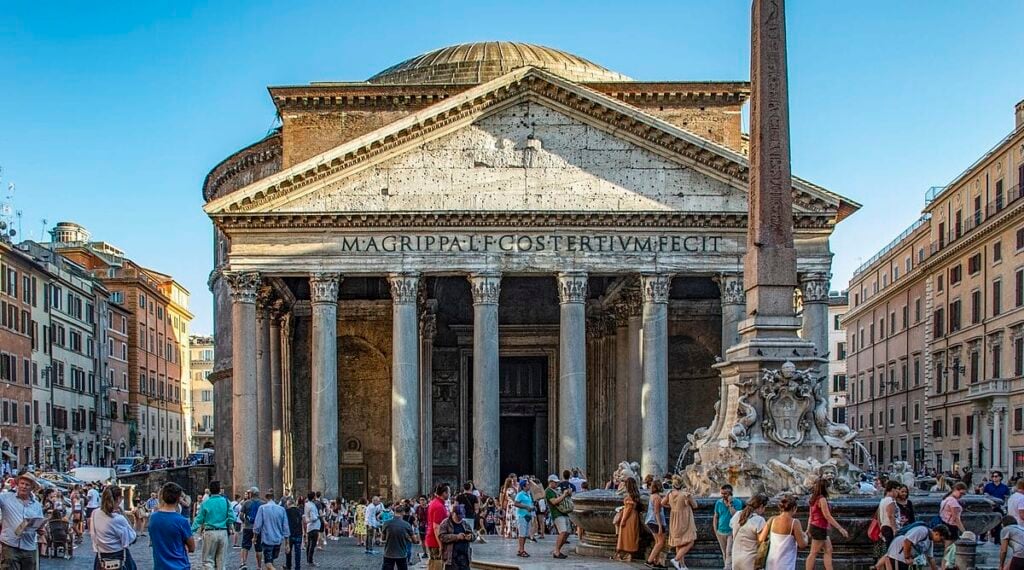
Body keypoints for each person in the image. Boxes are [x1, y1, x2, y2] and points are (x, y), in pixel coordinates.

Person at [0, 472, 46, 569]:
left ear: (32, 488)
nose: (24, 487)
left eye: (27, 485)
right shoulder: (6, 498)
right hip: (10, 545)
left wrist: (41, 530)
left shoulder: (36, 505)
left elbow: (39, 524)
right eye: (22, 483)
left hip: (29, 547)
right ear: (17, 484)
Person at [148, 482, 195, 570]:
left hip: (160, 566)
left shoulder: (153, 518)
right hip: (180, 565)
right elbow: (192, 547)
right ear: (178, 499)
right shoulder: (182, 521)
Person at [805, 478, 849, 570]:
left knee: (829, 549)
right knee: (813, 553)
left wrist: (808, 528)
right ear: (825, 488)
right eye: (828, 487)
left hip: (817, 527)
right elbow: (827, 516)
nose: (830, 489)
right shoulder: (822, 499)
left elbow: (810, 516)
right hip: (819, 528)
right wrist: (840, 528)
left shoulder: (813, 498)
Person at [91, 485, 138, 570]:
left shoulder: (95, 513)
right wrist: (123, 514)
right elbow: (132, 538)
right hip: (118, 557)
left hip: (100, 556)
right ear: (119, 498)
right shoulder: (118, 519)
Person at [191, 479, 234, 570]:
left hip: (210, 532)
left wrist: (191, 531)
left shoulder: (206, 502)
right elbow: (231, 517)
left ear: (210, 490)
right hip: (223, 532)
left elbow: (199, 519)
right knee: (221, 562)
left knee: (208, 561)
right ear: (219, 490)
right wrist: (230, 526)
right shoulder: (226, 501)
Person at [758, 494, 808, 570]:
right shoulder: (795, 522)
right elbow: (802, 545)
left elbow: (761, 539)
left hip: (771, 563)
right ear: (794, 508)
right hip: (786, 564)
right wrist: (806, 537)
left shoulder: (772, 519)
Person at [666, 475, 697, 570]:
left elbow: (662, 503)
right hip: (685, 520)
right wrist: (690, 497)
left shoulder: (670, 493)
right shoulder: (685, 494)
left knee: (679, 543)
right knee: (691, 541)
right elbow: (695, 506)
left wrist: (672, 507)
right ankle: (676, 559)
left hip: (674, 519)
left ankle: (682, 566)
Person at [730, 494, 768, 570]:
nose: (764, 510)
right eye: (764, 507)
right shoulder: (759, 520)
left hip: (736, 558)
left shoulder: (737, 515)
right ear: (761, 506)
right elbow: (761, 541)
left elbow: (733, 531)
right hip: (750, 560)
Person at [253, 491, 289, 570]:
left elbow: (257, 524)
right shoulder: (281, 509)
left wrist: (255, 537)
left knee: (268, 564)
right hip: (278, 540)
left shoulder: (262, 508)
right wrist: (287, 543)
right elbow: (286, 527)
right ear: (274, 498)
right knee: (271, 560)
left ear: (266, 498)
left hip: (267, 539)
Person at [713, 484, 742, 570]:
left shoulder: (737, 502)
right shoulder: (718, 503)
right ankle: (728, 567)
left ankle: (727, 568)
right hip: (720, 531)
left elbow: (735, 516)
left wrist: (730, 504)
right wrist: (715, 529)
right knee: (724, 552)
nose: (723, 495)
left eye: (725, 493)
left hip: (731, 531)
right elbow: (716, 516)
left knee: (729, 552)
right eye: (722, 493)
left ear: (731, 493)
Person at [382, 503, 418, 570]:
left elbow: (383, 538)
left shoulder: (386, 523)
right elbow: (415, 541)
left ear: (394, 512)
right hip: (401, 553)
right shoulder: (407, 525)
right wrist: (408, 538)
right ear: (403, 513)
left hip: (388, 553)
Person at [613, 476, 641, 562]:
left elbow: (628, 509)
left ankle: (625, 555)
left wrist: (623, 520)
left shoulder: (629, 496)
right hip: (634, 516)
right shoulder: (635, 495)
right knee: (632, 536)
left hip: (628, 517)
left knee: (625, 536)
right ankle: (629, 555)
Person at [545, 474, 573, 560]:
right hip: (557, 514)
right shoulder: (548, 491)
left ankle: (557, 550)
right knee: (563, 531)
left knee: (567, 532)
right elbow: (554, 502)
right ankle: (556, 551)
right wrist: (564, 495)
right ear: (550, 482)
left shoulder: (557, 490)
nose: (557, 484)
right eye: (555, 482)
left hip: (564, 513)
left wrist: (568, 493)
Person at [438, 504, 474, 570]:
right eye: (458, 516)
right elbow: (441, 537)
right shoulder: (445, 523)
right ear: (453, 513)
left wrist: (470, 537)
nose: (460, 518)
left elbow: (474, 535)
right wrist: (456, 537)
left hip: (464, 558)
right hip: (451, 559)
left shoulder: (465, 524)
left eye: (461, 516)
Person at [644, 478, 667, 568]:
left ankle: (656, 562)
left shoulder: (653, 496)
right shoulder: (657, 497)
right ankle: (649, 561)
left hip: (650, 521)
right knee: (661, 542)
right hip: (655, 522)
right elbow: (657, 512)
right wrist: (660, 525)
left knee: (658, 542)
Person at [240, 487, 265, 570]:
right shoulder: (263, 503)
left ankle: (243, 563)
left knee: (245, 546)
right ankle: (259, 566)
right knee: (259, 548)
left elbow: (241, 515)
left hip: (248, 527)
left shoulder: (246, 503)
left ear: (251, 494)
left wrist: (245, 521)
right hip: (258, 528)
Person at [425, 483, 451, 562]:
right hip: (435, 541)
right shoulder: (439, 506)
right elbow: (436, 527)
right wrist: (440, 545)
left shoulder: (434, 502)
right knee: (437, 565)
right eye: (449, 492)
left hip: (432, 538)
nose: (450, 494)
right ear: (444, 493)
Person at [986, 471, 1012, 543]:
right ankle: (984, 537)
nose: (994, 478)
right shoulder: (988, 486)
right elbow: (985, 496)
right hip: (989, 507)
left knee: (999, 523)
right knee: (987, 522)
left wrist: (1005, 507)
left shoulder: (1004, 487)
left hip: (1000, 507)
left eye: (996, 476)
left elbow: (1007, 498)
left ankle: (997, 539)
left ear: (1000, 477)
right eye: (993, 476)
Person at [512, 479, 536, 558]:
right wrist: (526, 507)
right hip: (521, 516)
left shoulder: (528, 494)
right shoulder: (520, 494)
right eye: (528, 484)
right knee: (522, 534)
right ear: (524, 486)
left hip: (527, 516)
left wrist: (532, 507)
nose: (529, 485)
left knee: (525, 534)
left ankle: (521, 549)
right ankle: (521, 550)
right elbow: (515, 503)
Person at [283, 497, 303, 570]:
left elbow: (285, 524)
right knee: (298, 552)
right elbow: (302, 522)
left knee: (288, 551)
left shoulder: (286, 511)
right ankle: (297, 567)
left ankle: (288, 566)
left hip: (289, 534)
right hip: (299, 533)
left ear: (288, 504)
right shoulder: (300, 511)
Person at [303, 491, 322, 567]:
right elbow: (313, 517)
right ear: (313, 497)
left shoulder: (306, 504)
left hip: (309, 527)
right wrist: (320, 516)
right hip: (314, 526)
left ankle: (308, 559)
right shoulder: (311, 506)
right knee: (312, 544)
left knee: (309, 544)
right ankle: (310, 560)